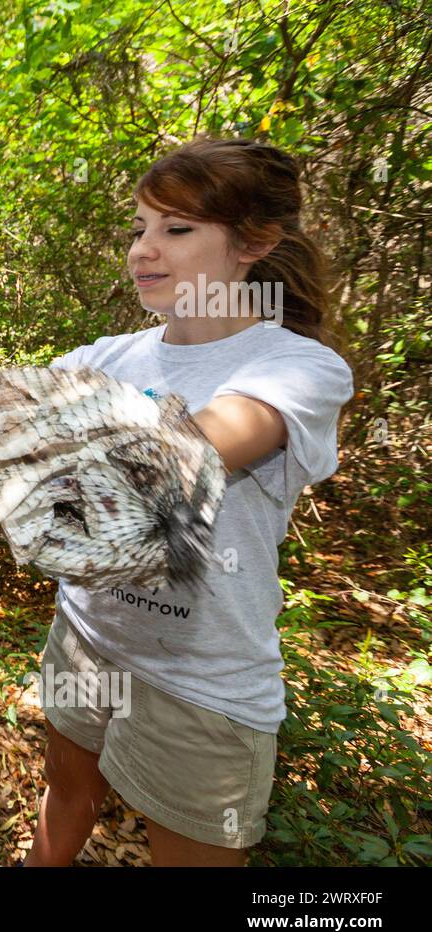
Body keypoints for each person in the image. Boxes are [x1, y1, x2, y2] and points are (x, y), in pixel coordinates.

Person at [21, 138, 353, 866]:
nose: (144, 249)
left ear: (254, 242)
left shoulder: (297, 367)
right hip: (86, 637)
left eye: (176, 229)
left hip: (202, 677)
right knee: (64, 799)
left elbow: (188, 454)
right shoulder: (106, 358)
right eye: (139, 228)